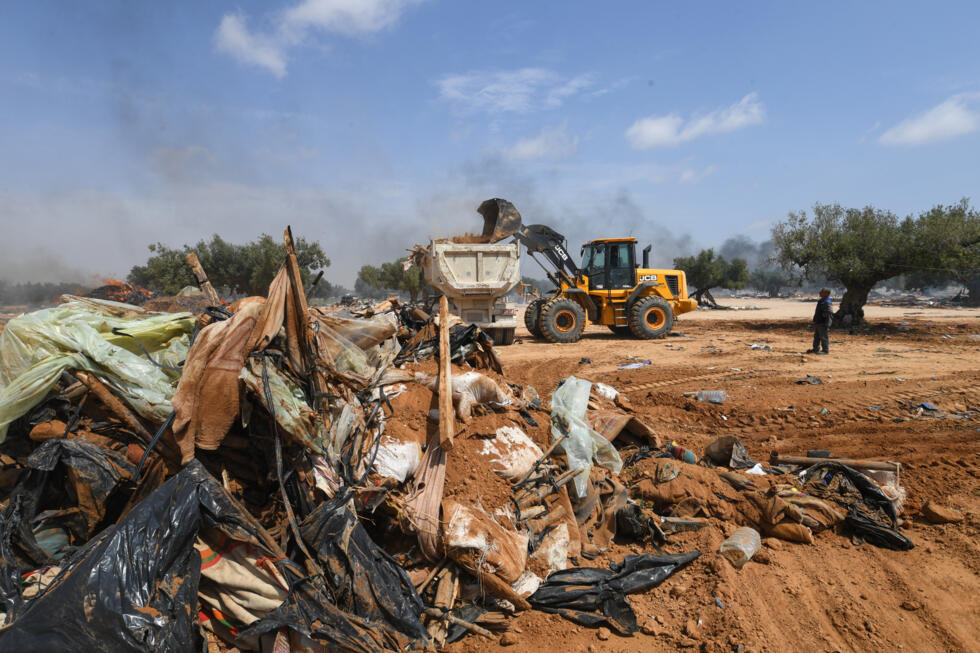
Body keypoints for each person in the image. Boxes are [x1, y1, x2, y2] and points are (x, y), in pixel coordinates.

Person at [808, 288, 833, 354]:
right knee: (817, 337)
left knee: (824, 337)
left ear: (827, 294)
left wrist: (823, 318)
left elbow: (829, 312)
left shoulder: (827, 302)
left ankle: (825, 350)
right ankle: (815, 349)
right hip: (818, 322)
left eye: (822, 292)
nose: (820, 293)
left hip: (823, 322)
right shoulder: (821, 301)